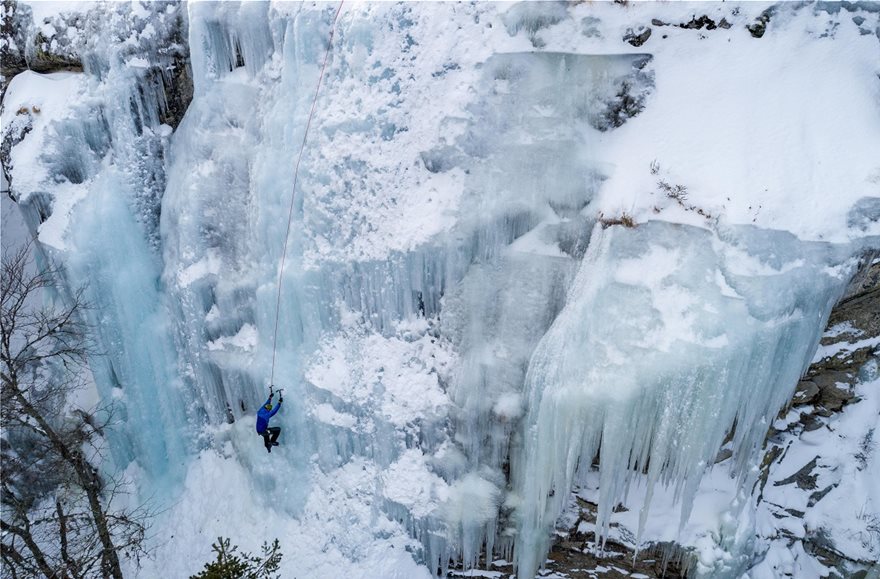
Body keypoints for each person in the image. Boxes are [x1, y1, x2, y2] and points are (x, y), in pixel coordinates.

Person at [256, 386, 283, 453]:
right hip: (263, 431)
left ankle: (268, 448)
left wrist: (270, 398)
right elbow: (274, 411)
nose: (270, 408)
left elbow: (266, 403)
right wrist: (279, 403)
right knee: (278, 429)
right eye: (269, 408)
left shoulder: (260, 410)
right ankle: (273, 441)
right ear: (268, 409)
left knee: (266, 436)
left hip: (259, 431)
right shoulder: (266, 415)